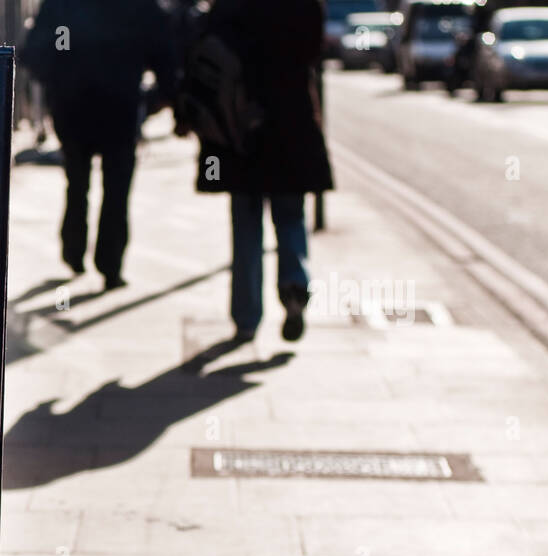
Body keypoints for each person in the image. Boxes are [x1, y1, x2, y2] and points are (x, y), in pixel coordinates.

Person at [181, 0, 333, 342]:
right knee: (291, 216)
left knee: (246, 224)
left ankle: (246, 317)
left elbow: (205, 45)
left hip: (241, 125)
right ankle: (294, 284)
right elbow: (313, 48)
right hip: (290, 120)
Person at [21, 0, 178, 291]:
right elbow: (162, 49)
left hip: (73, 104)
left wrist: (58, 80)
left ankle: (74, 251)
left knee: (77, 182)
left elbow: (35, 51)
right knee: (116, 188)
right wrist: (164, 96)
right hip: (119, 105)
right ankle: (110, 264)